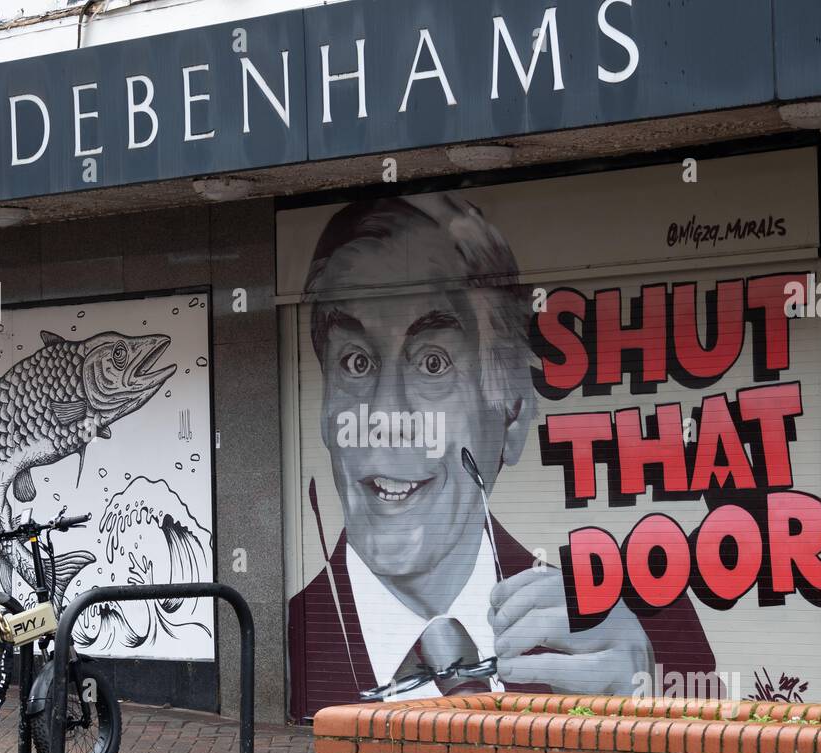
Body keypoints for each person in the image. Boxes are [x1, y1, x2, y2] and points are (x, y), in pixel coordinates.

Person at [287, 194, 716, 718]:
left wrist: (642, 713)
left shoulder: (652, 624)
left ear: (512, 414)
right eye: (355, 362)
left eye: (433, 363)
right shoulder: (277, 634)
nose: (386, 418)